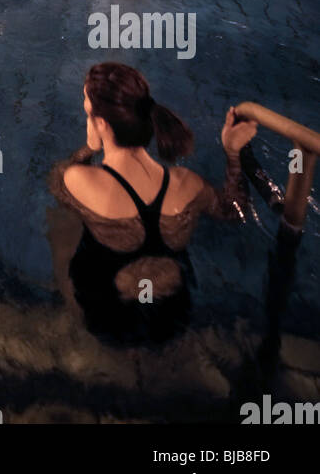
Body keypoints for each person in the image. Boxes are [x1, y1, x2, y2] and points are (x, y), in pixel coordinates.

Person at [48, 63, 255, 344]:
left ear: (101, 124)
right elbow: (234, 210)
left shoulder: (80, 180)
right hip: (173, 315)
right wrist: (232, 154)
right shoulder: (187, 184)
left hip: (106, 317)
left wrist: (89, 148)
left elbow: (56, 186)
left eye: (88, 112)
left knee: (60, 224)